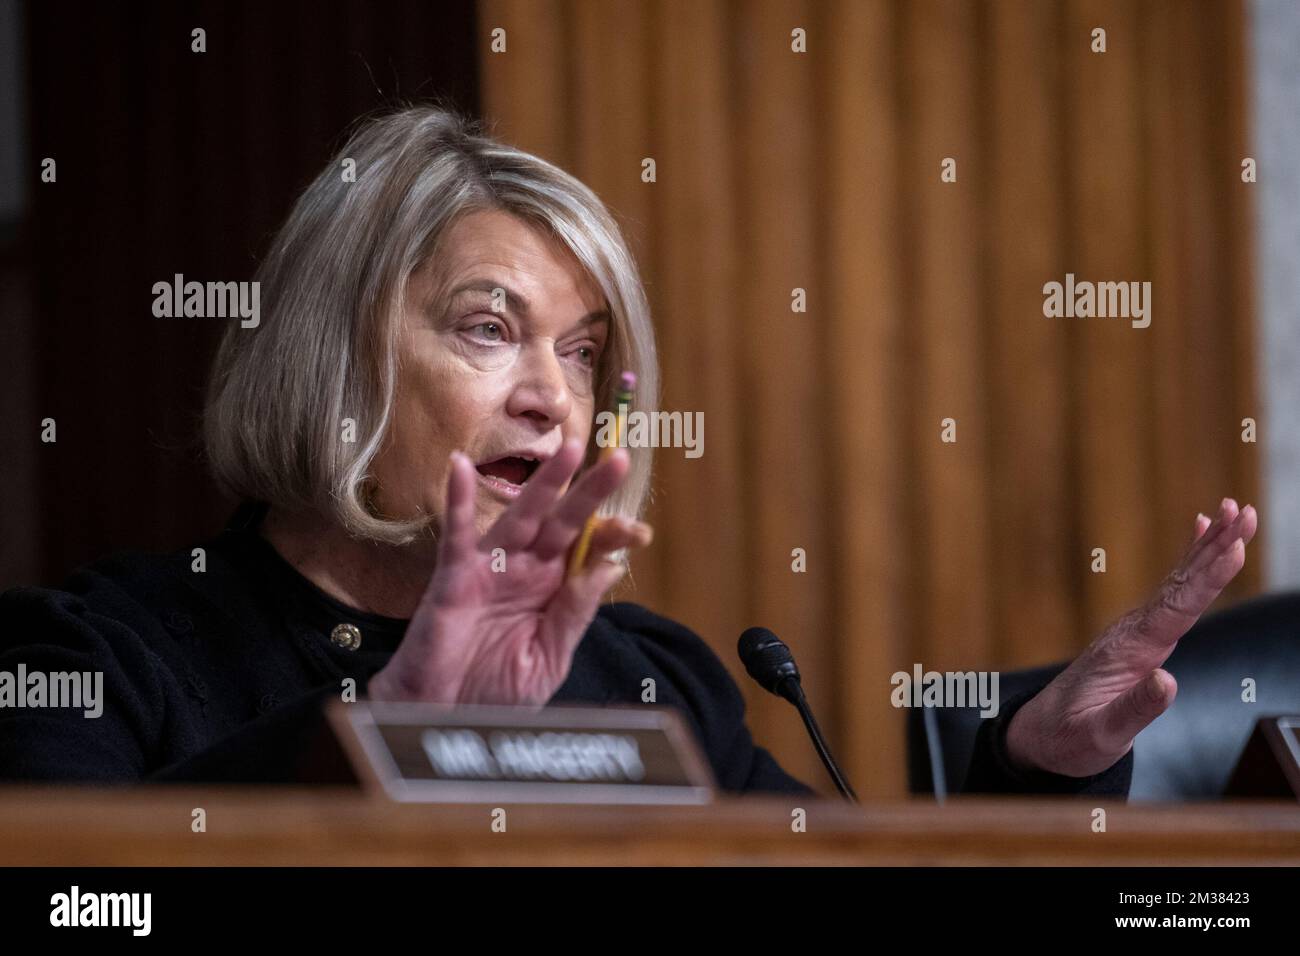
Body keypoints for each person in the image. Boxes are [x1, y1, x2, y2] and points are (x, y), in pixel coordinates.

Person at [0, 107, 1258, 797]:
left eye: (587, 351)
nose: (553, 396)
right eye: (488, 329)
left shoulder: (648, 674)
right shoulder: (91, 661)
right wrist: (387, 733)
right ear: (331, 356)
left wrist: (1026, 765)